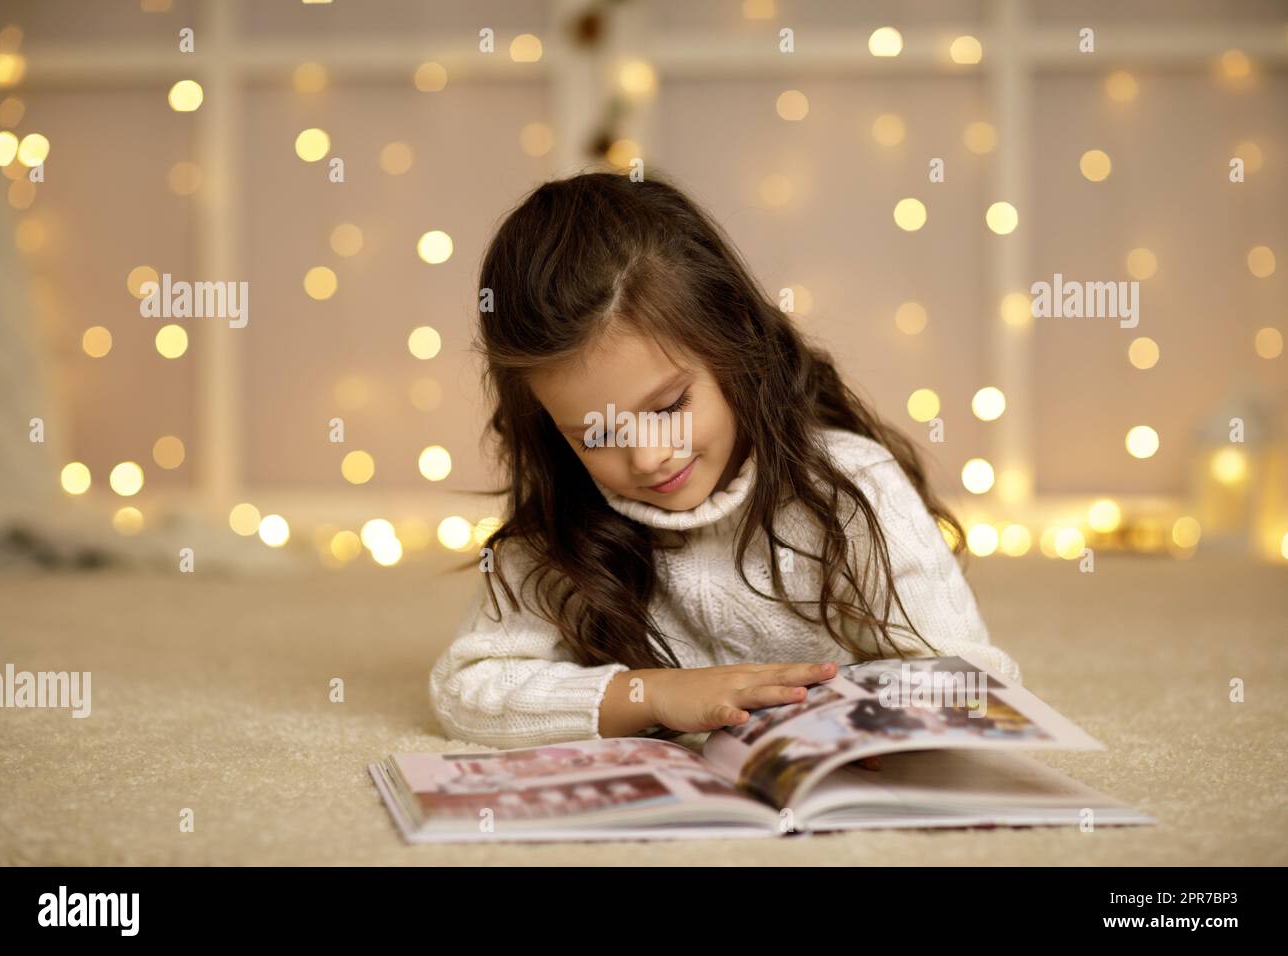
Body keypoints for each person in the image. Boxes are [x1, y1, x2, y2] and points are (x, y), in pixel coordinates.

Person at [428, 170, 1021, 751]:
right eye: (597, 435)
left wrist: (849, 725)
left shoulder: (851, 486)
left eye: (669, 407)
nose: (649, 457)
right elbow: (466, 689)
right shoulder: (563, 521)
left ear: (732, 339)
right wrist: (654, 695)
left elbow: (975, 676)